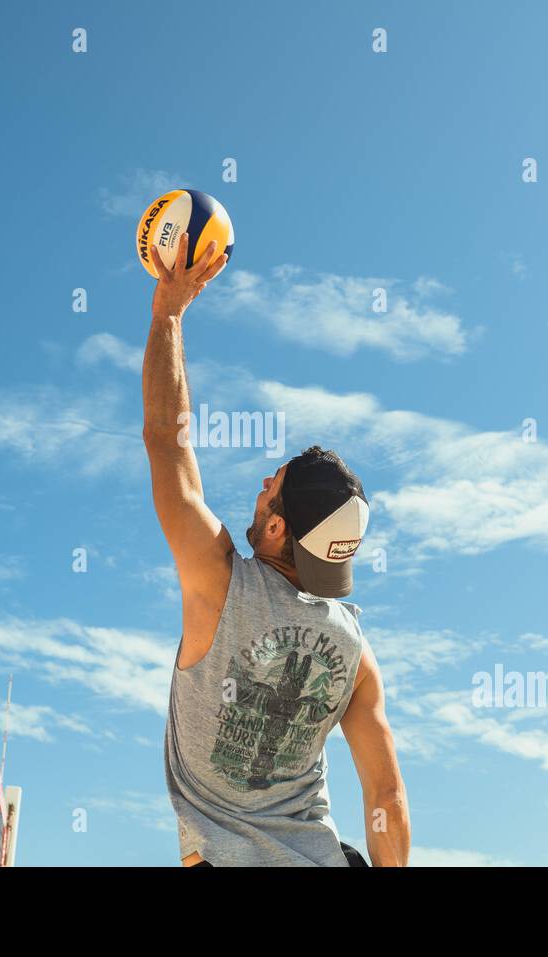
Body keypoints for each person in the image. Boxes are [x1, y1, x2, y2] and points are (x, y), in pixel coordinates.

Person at [141, 233, 410, 866]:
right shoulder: (355, 651)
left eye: (275, 487)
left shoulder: (219, 581)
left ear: (277, 530)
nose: (264, 483)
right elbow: (386, 793)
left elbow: (165, 443)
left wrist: (168, 314)